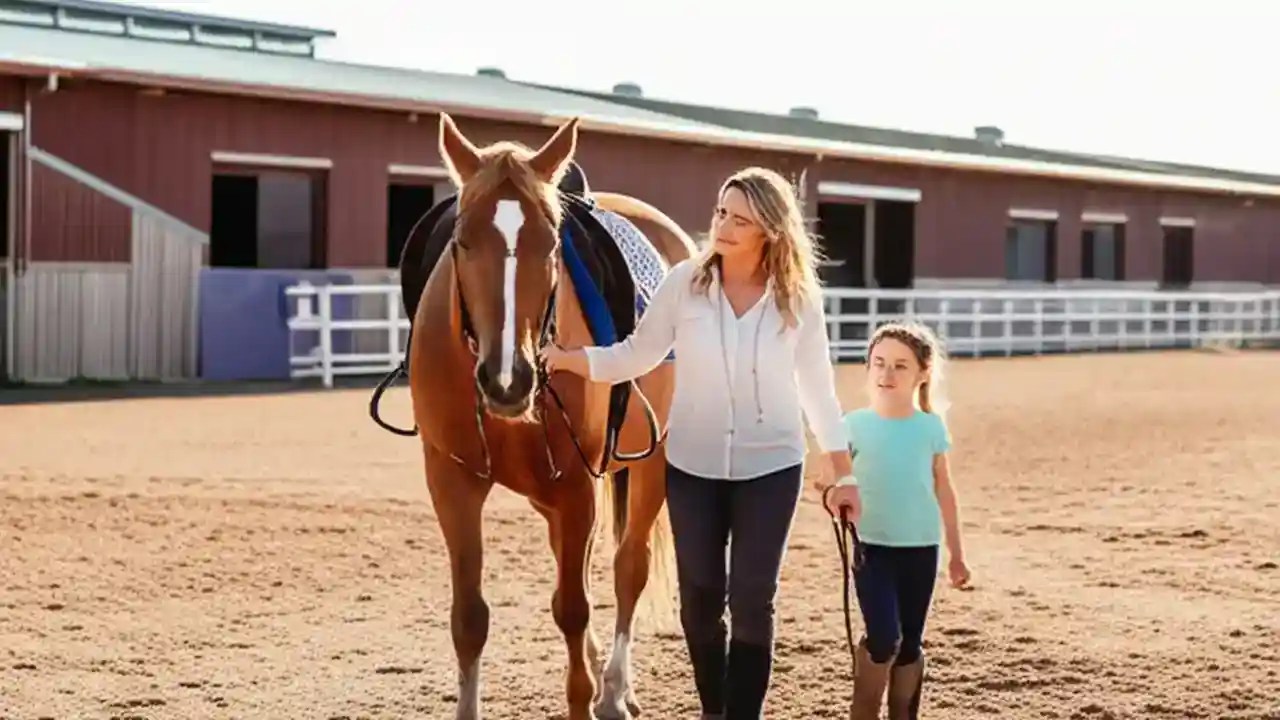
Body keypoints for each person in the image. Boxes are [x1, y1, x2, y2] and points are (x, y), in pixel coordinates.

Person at [542, 166, 854, 719]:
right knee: (701, 604)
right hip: (692, 467)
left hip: (772, 468)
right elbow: (638, 354)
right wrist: (572, 360)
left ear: (771, 231)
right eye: (720, 213)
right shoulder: (684, 282)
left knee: (753, 601)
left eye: (741, 219)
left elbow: (818, 392)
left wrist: (843, 472)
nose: (724, 227)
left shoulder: (796, 301)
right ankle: (715, 709)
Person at [822, 320, 972, 720]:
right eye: (879, 363)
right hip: (871, 547)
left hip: (921, 549)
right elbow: (826, 480)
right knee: (885, 636)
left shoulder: (930, 428)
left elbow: (945, 490)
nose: (887, 373)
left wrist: (957, 555)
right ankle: (864, 712)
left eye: (900, 365)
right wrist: (834, 495)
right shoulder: (851, 425)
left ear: (923, 373)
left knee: (909, 645)